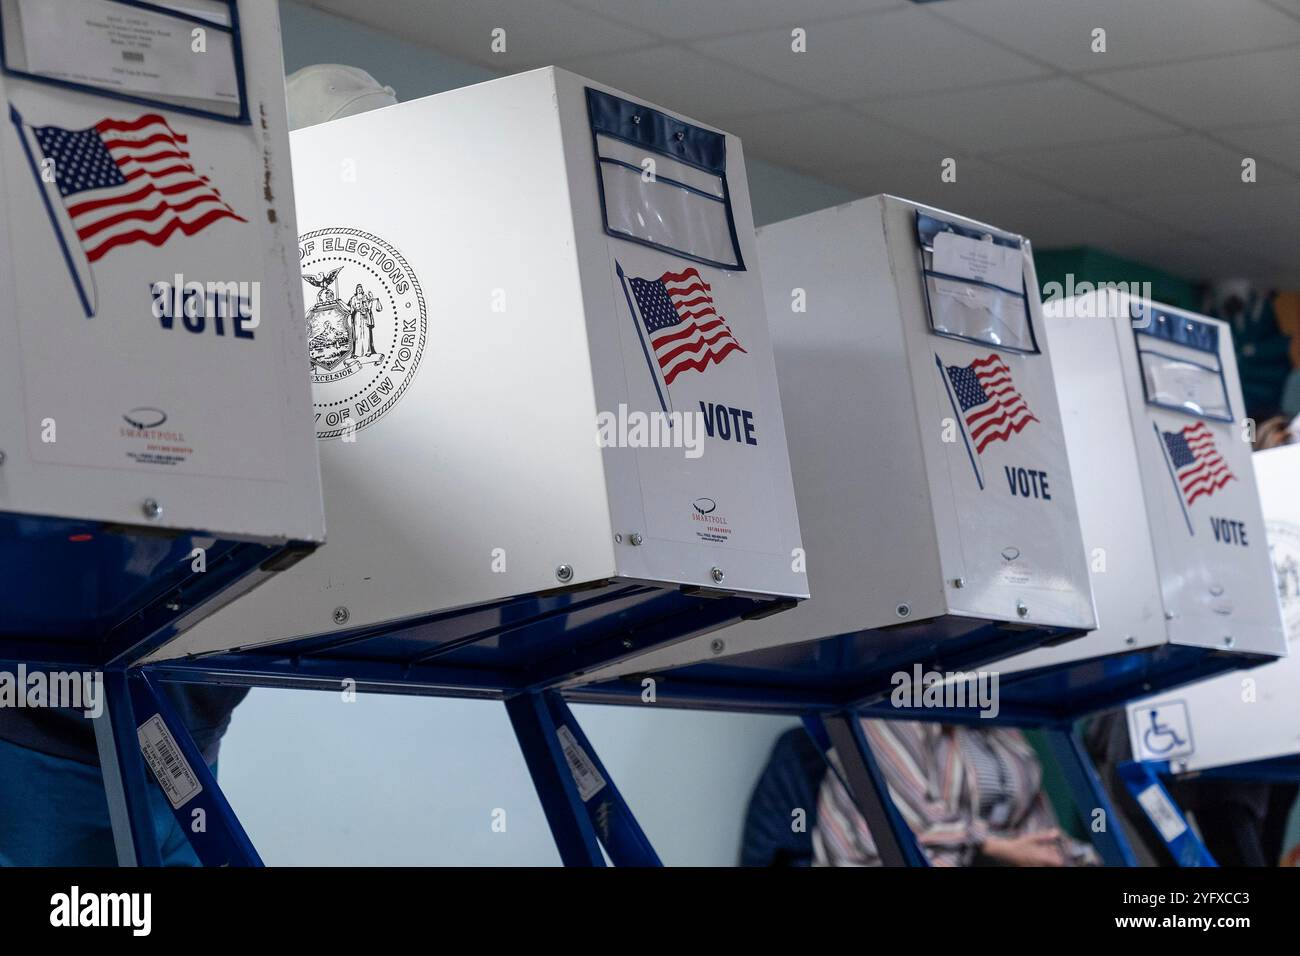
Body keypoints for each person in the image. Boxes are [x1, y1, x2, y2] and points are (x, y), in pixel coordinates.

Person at [814, 719, 1097, 866]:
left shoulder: (999, 720)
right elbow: (910, 834)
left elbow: (1035, 825)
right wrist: (1001, 849)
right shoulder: (885, 712)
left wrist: (1059, 854)